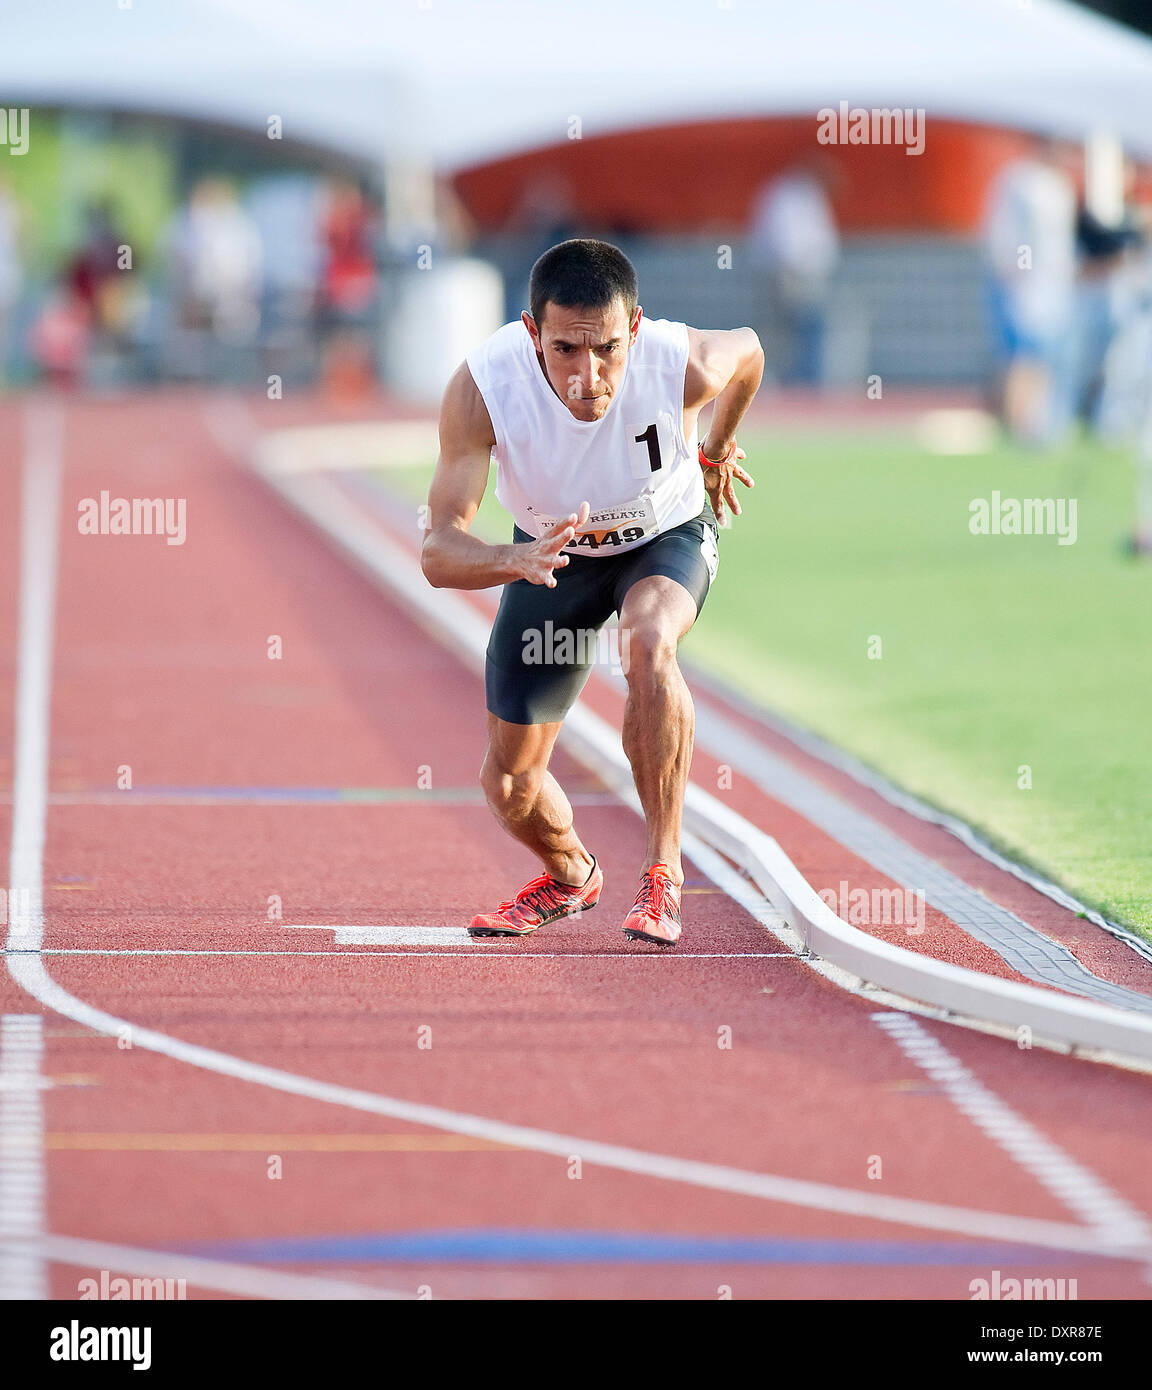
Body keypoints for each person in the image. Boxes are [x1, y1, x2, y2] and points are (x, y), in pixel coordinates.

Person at [421, 239, 762, 946]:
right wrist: (515, 556)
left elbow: (750, 352)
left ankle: (662, 873)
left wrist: (716, 448)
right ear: (531, 334)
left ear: (634, 329)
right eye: (565, 351)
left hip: (663, 536)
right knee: (509, 786)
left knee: (648, 641)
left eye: (607, 349)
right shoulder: (483, 387)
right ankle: (571, 874)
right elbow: (437, 550)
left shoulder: (681, 362)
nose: (588, 376)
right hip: (551, 556)